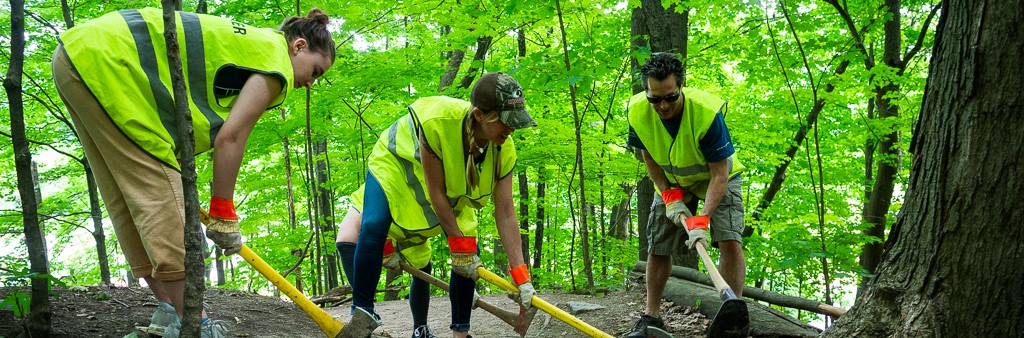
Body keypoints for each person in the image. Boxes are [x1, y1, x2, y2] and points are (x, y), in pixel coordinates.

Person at [51, 7, 335, 337]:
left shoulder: (255, 45)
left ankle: (171, 312)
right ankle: (196, 325)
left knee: (124, 192)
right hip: (108, 64)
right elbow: (231, 138)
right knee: (161, 196)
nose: (311, 83)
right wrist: (224, 213)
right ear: (298, 46)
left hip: (75, 58)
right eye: (315, 70)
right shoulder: (276, 64)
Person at [340, 72, 538, 338]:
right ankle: (362, 313)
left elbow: (505, 212)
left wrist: (521, 276)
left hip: (450, 192)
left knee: (468, 246)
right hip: (397, 164)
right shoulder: (437, 123)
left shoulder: (504, 149)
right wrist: (455, 245)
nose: (511, 129)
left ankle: (460, 333)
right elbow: (435, 192)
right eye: (505, 122)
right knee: (374, 224)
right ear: (480, 115)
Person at [624, 53, 747, 337]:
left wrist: (702, 220)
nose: (662, 105)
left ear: (681, 87)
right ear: (646, 91)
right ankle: (651, 317)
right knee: (658, 245)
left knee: (729, 239)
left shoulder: (706, 113)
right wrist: (669, 195)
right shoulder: (637, 111)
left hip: (715, 178)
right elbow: (649, 157)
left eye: (670, 97)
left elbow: (720, 174)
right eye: (655, 99)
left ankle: (732, 319)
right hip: (671, 180)